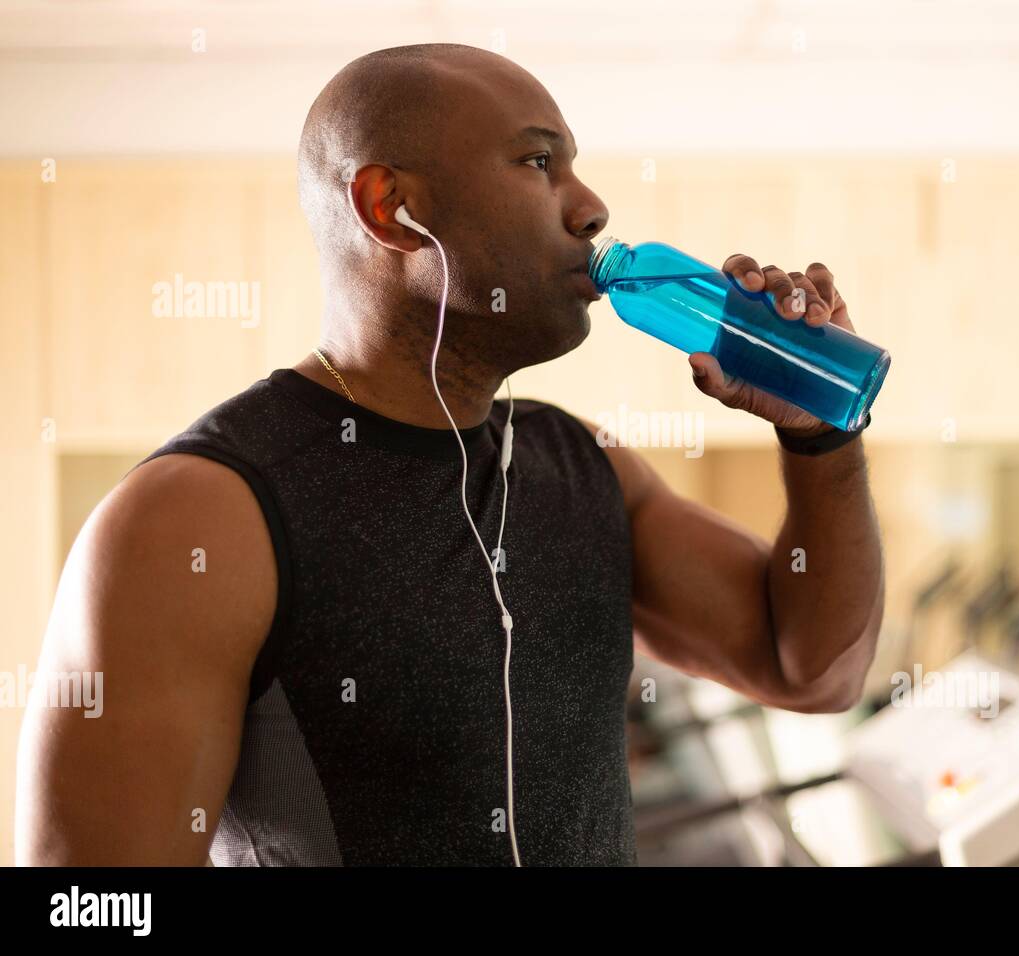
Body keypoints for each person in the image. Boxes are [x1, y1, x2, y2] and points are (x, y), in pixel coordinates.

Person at [16, 43, 884, 866]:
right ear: (390, 209)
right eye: (538, 163)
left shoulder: (581, 466)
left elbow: (811, 669)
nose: (591, 209)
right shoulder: (198, 517)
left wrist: (821, 439)